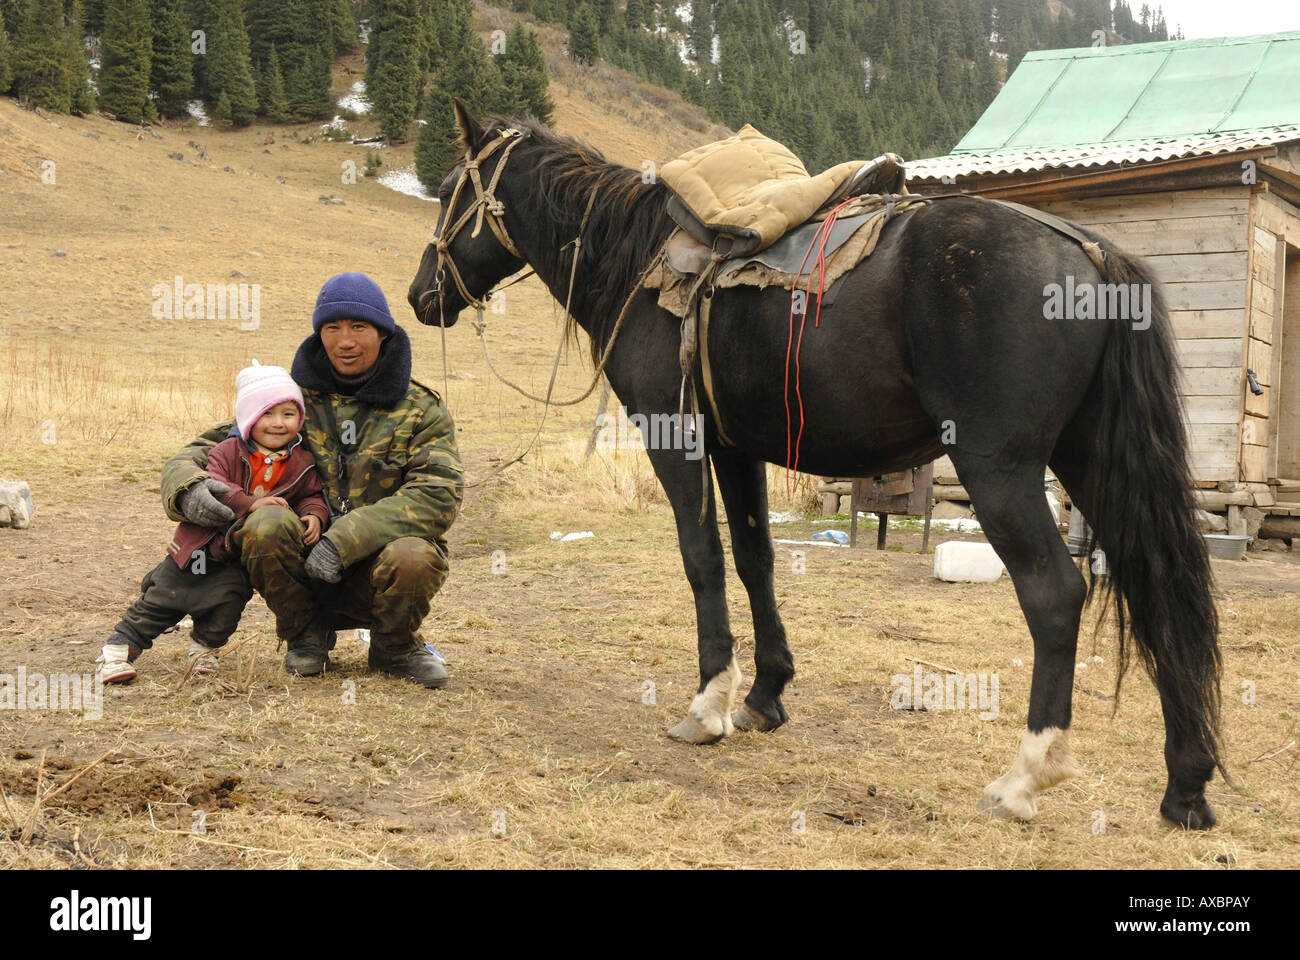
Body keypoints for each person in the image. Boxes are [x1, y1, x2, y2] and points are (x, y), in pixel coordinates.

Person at [160, 273, 463, 688]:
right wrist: (187, 487)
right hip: (299, 568)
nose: (345, 341)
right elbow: (203, 449)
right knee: (265, 524)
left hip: (380, 570)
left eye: (359, 327)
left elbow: (438, 495)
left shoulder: (421, 408)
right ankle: (306, 636)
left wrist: (345, 539)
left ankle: (395, 648)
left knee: (414, 554)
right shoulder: (290, 400)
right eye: (332, 328)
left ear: (383, 333)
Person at [97, 364, 329, 684]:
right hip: (198, 547)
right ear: (249, 418)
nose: (278, 423)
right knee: (162, 599)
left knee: (227, 604)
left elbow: (310, 494)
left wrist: (315, 514)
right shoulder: (227, 450)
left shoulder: (302, 461)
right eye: (267, 414)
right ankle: (117, 652)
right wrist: (250, 504)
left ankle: (204, 651)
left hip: (236, 556)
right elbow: (216, 484)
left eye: (288, 414)